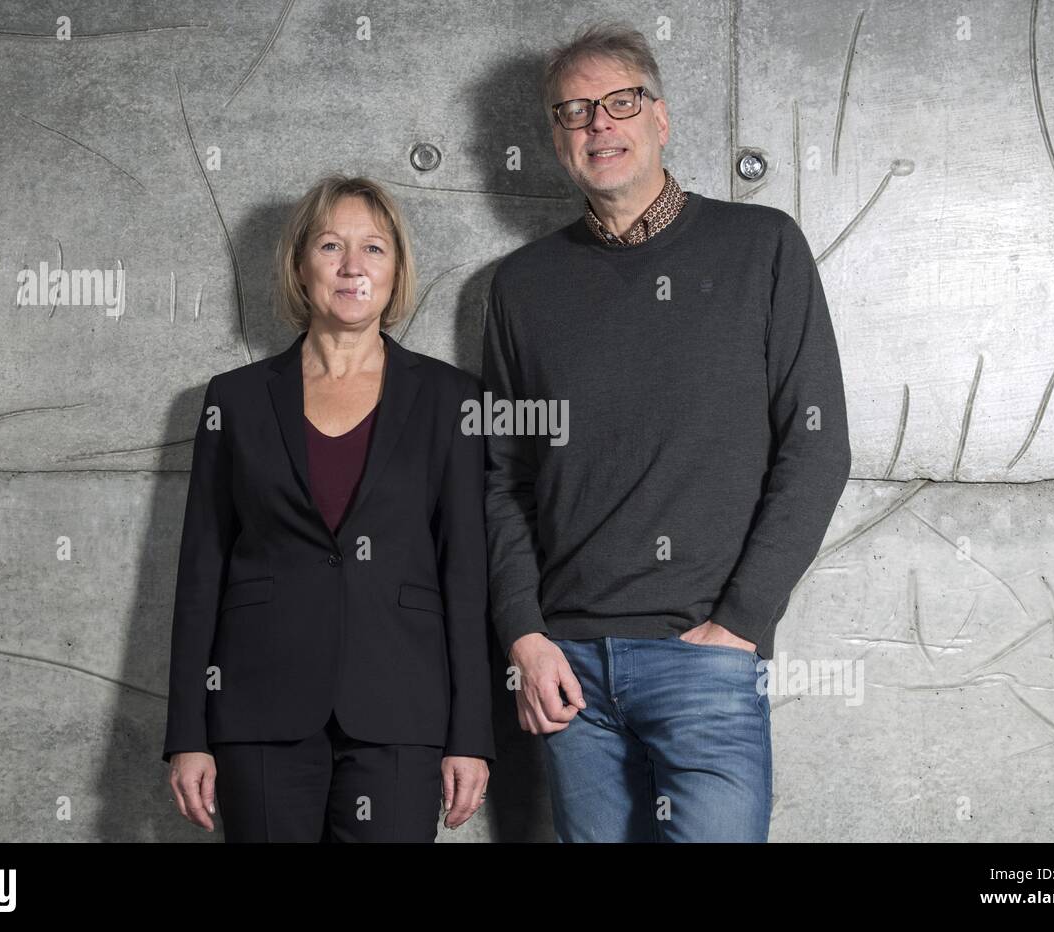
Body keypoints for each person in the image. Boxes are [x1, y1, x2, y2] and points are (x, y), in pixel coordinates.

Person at [482, 22, 851, 842]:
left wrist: (739, 626)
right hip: (567, 669)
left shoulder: (762, 247)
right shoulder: (521, 287)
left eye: (621, 102)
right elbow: (502, 478)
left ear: (661, 118)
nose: (598, 124)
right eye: (574, 111)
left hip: (704, 655)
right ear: (556, 137)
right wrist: (525, 636)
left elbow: (817, 446)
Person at [163, 175, 495, 842]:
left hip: (401, 710)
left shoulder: (452, 399)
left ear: (396, 270)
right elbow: (201, 572)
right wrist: (187, 733)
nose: (352, 266)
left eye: (373, 247)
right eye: (330, 245)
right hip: (259, 707)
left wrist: (471, 736)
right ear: (299, 266)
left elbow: (465, 575)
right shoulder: (235, 399)